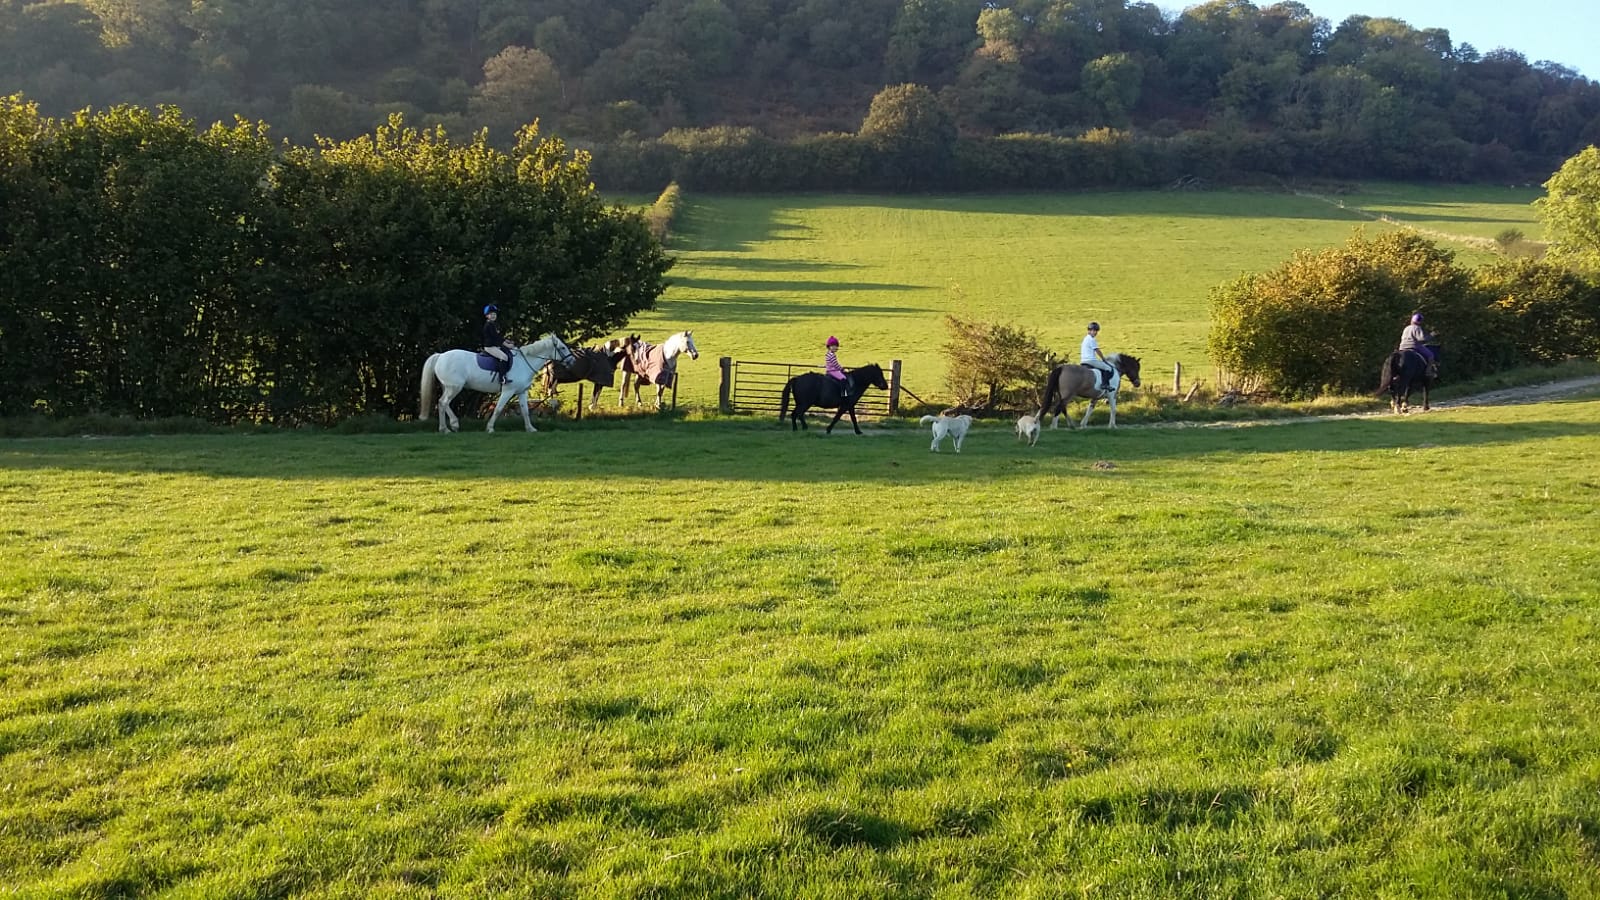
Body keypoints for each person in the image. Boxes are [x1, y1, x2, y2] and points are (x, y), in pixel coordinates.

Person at [482, 305, 517, 382]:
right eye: (491, 314)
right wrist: (507, 345)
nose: (493, 316)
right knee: (504, 357)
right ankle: (502, 378)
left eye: (494, 314)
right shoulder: (488, 325)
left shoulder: (493, 324)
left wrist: (507, 341)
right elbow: (496, 338)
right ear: (487, 316)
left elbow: (499, 336)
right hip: (490, 347)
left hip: (494, 346)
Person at [1398, 312, 1438, 377]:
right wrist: (1431, 335)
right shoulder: (1417, 328)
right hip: (1414, 346)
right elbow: (1421, 339)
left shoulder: (1406, 328)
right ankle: (1428, 372)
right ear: (1420, 321)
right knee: (1431, 355)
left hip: (1402, 347)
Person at [1080, 322, 1116, 389]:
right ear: (1089, 331)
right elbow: (1097, 350)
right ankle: (1105, 384)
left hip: (1083, 360)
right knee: (1108, 368)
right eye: (1093, 330)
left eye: (1096, 331)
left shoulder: (1085, 339)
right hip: (1090, 360)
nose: (1095, 332)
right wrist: (1103, 359)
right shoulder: (1091, 339)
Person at [823, 335, 852, 403]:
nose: (835, 347)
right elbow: (835, 364)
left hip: (830, 370)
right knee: (843, 378)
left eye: (836, 346)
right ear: (829, 347)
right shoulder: (832, 355)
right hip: (833, 370)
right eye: (833, 346)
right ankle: (843, 394)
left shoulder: (828, 354)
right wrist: (842, 369)